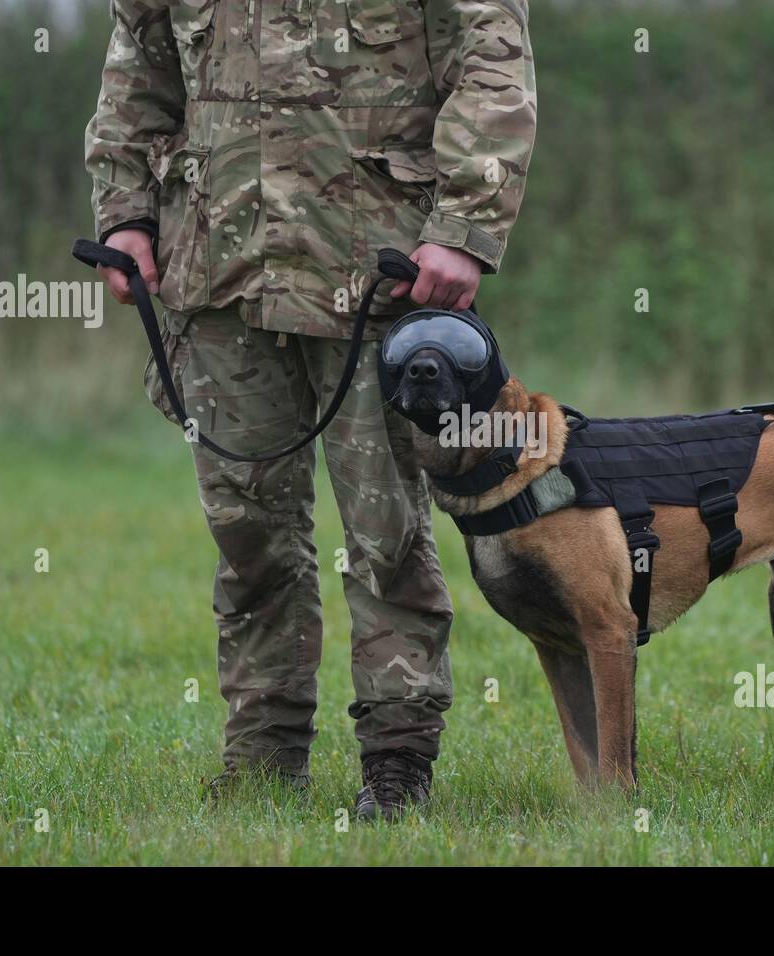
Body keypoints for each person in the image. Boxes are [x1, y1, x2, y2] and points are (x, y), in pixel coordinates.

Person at [84, 0, 535, 820]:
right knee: (247, 530)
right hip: (218, 264)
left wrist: (466, 225)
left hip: (376, 267)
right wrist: (125, 214)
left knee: (387, 530)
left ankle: (398, 760)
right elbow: (139, 64)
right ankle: (263, 754)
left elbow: (492, 59)